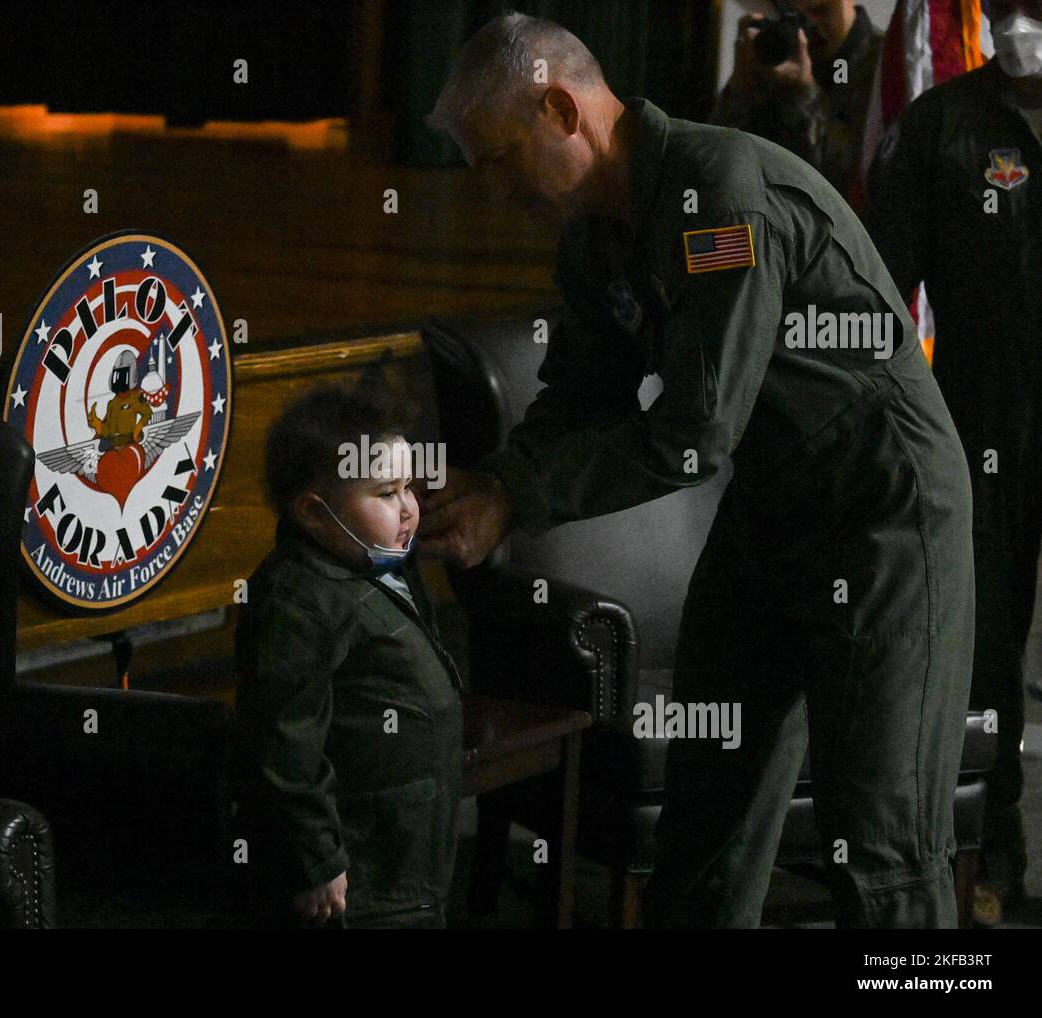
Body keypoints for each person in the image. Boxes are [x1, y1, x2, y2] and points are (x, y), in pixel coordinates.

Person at [421, 11, 975, 927]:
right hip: (771, 516)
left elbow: (696, 432)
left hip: (887, 524)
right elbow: (580, 396)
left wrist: (518, 494)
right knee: (704, 836)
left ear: (561, 109)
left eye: (498, 160)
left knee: (883, 857)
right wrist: (493, 487)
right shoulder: (594, 232)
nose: (493, 190)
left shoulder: (720, 199)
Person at [864, 0, 1042, 926]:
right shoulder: (938, 129)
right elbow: (881, 299)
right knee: (986, 655)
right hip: (981, 424)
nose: (1022, 24)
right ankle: (992, 862)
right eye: (1008, 6)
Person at [234, 383, 463, 928]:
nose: (409, 508)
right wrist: (317, 860)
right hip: (359, 869)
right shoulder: (298, 601)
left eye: (409, 487)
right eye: (386, 493)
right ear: (314, 513)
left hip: (408, 849)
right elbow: (283, 741)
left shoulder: (375, 563)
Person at [712, 1, 883, 199]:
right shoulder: (775, 60)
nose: (808, 26)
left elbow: (850, 184)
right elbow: (719, 169)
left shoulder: (886, 68)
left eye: (819, 10)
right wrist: (740, 88)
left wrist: (801, 93)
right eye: (791, 14)